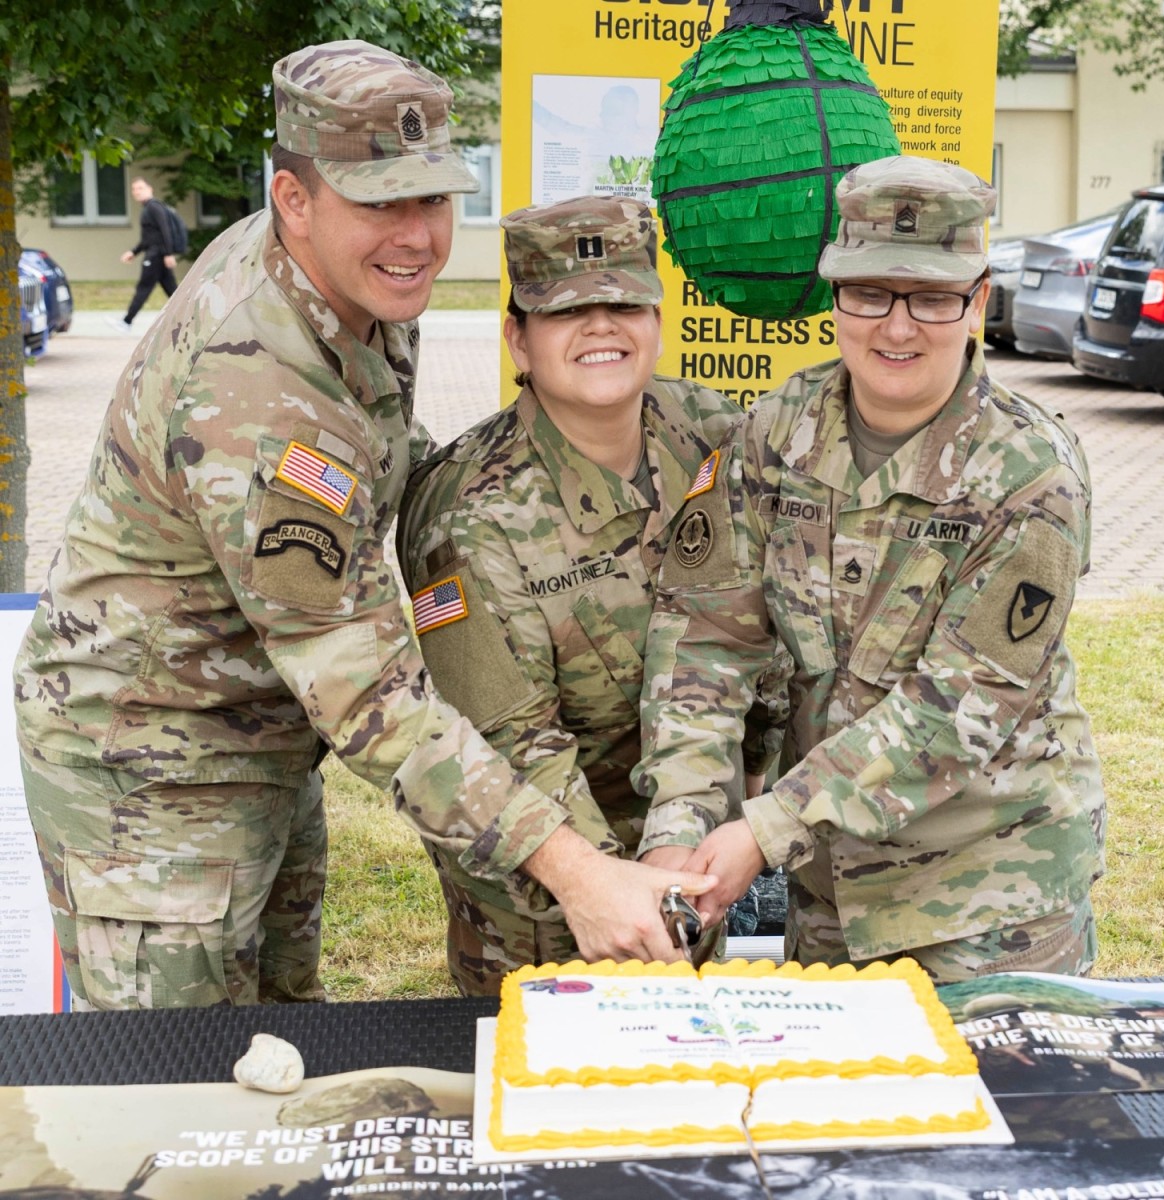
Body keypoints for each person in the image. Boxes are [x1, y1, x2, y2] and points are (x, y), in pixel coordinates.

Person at [12, 41, 715, 1012]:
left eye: (432, 198)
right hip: (151, 766)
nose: (418, 235)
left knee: (279, 1039)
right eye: (381, 201)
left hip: (257, 726)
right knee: (170, 1095)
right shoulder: (253, 379)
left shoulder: (354, 280)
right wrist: (576, 870)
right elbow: (364, 688)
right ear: (294, 199)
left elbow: (371, 447)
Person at [633, 155, 1107, 981]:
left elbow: (955, 711)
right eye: (869, 292)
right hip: (827, 889)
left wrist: (767, 827)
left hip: (988, 900)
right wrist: (681, 818)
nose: (896, 327)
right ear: (834, 292)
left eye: (931, 297)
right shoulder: (777, 432)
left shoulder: (1033, 474)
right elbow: (706, 634)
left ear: (979, 300)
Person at [399, 196, 785, 994]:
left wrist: (743, 803)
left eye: (623, 303)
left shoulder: (712, 433)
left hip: (698, 851)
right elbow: (511, 742)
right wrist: (613, 885)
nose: (602, 327)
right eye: (567, 310)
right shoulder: (468, 515)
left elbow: (758, 631)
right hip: (548, 891)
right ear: (517, 338)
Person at [111, 177, 179, 332]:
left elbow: (165, 229)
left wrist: (169, 253)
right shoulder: (148, 209)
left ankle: (127, 321)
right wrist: (133, 252)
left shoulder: (154, 207)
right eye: (134, 189)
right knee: (174, 292)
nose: (136, 191)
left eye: (140, 188)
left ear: (150, 189)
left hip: (156, 256)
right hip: (157, 255)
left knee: (144, 288)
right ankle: (193, 319)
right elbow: (148, 239)